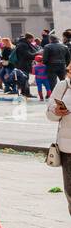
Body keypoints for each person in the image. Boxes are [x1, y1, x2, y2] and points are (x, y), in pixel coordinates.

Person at [46, 71, 71, 217]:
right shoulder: (63, 86)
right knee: (70, 191)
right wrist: (56, 111)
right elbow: (49, 113)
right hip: (68, 147)